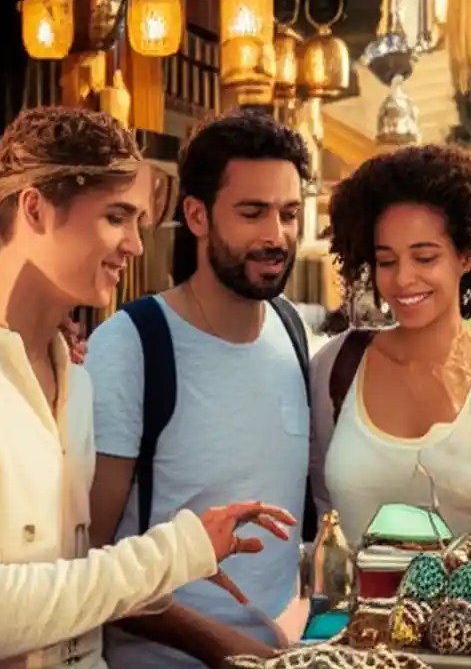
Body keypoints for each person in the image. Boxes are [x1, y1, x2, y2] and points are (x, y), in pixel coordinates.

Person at [0, 107, 294, 669]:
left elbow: (77, 584)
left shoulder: (77, 382)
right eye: (116, 217)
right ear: (35, 209)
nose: (135, 245)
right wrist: (177, 551)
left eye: (138, 221)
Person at [86, 111, 314, 668]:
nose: (275, 236)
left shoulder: (292, 330)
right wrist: (229, 650)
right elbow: (87, 562)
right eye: (252, 212)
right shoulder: (133, 344)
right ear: (197, 214)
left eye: (289, 214)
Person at [310, 144, 471, 544]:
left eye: (425, 258)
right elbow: (326, 519)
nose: (403, 280)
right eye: (387, 261)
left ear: (466, 256)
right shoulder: (336, 367)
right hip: (352, 608)